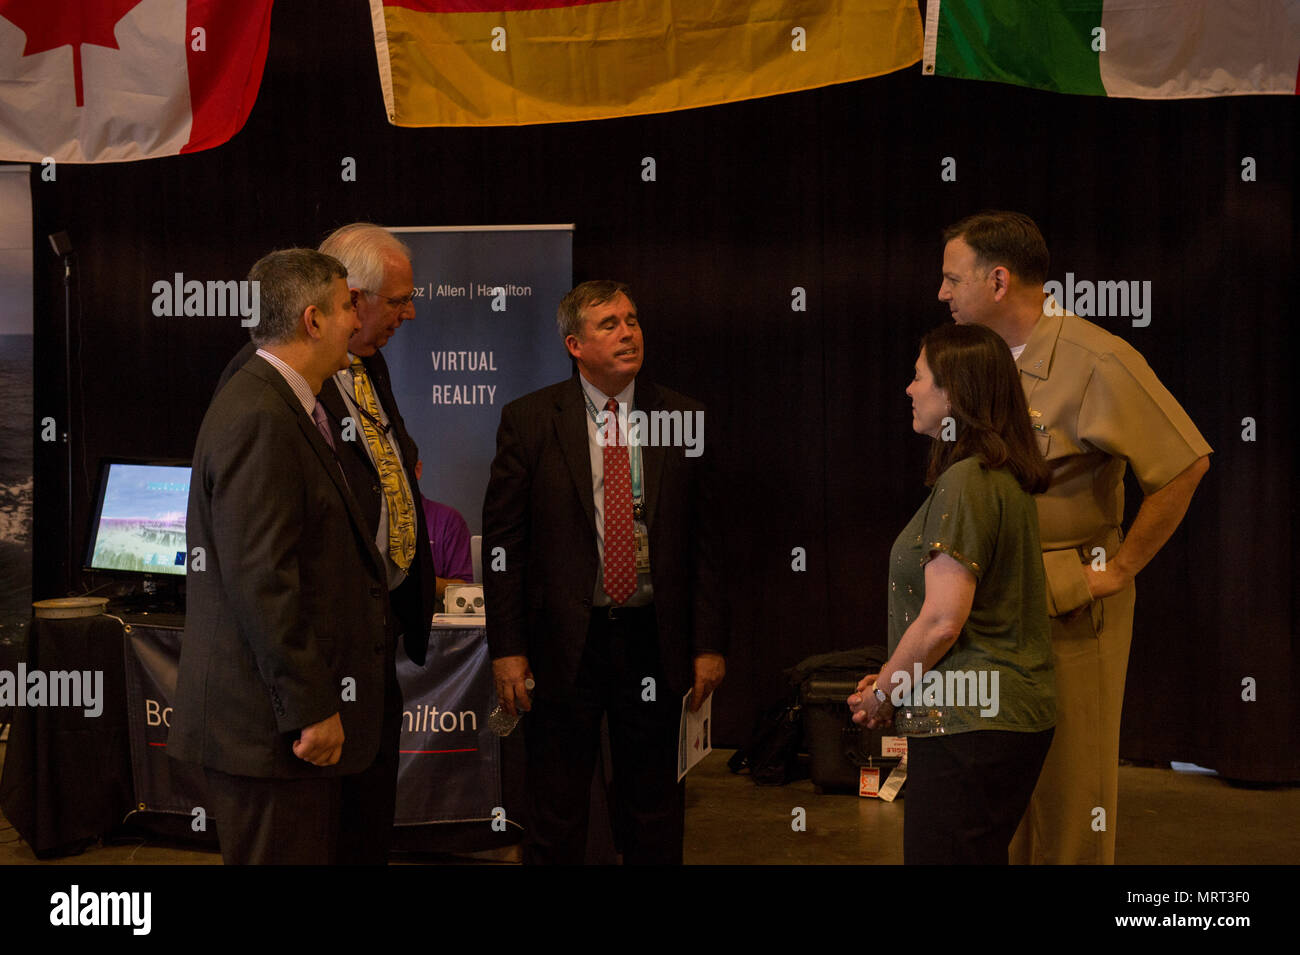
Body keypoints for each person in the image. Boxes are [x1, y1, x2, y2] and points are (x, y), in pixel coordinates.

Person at [937, 210, 1212, 864]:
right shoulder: (983, 362)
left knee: (1069, 797)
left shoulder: (1096, 361)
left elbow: (1184, 463)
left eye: (952, 278)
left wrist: (1118, 569)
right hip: (990, 603)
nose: (942, 293)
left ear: (998, 280)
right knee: (1002, 794)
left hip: (1069, 605)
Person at [214, 223, 436, 863]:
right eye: (395, 301)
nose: (409, 312)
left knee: (364, 835)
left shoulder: (367, 363)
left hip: (369, 642)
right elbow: (263, 572)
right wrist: (311, 704)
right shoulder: (263, 400)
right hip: (314, 668)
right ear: (342, 305)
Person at [483, 280, 726, 864]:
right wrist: (508, 648)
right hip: (564, 644)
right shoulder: (531, 419)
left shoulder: (682, 416)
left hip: (653, 639)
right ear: (575, 344)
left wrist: (708, 644)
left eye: (633, 320)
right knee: (556, 806)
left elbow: (706, 544)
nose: (628, 333)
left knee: (654, 806)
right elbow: (505, 546)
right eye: (609, 324)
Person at [168, 249, 392, 864]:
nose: (359, 319)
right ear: (313, 320)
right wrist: (312, 709)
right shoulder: (262, 415)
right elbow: (264, 581)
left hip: (279, 730)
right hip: (270, 735)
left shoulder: (286, 402)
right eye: (350, 305)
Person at [849, 322, 1057, 865]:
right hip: (994, 718)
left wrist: (883, 696)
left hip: (970, 722)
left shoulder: (967, 480)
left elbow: (943, 621)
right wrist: (895, 673)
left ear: (955, 392)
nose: (909, 389)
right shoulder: (999, 477)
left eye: (919, 377)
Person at [413, 458, 474, 601]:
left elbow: (466, 589)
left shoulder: (448, 520)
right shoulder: (365, 521)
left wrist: (414, 581)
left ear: (417, 469)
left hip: (432, 619)